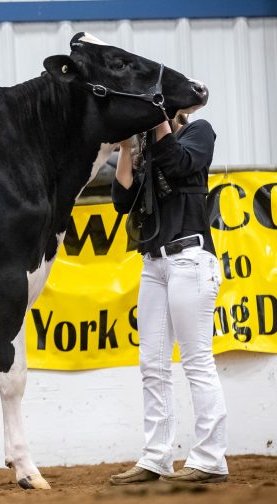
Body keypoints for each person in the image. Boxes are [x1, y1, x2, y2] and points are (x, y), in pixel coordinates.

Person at [109, 114, 228, 484]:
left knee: (196, 361)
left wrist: (158, 122)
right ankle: (157, 457)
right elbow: (122, 199)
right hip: (154, 262)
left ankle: (211, 459)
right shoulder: (146, 151)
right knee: (152, 363)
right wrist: (128, 147)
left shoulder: (198, 131)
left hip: (190, 257)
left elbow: (179, 163)